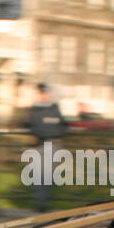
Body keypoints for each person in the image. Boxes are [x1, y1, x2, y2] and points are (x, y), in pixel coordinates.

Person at [26, 83, 69, 211]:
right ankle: (40, 202)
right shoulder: (34, 110)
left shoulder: (54, 108)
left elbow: (62, 125)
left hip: (52, 144)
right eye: (41, 93)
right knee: (39, 175)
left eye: (45, 93)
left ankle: (43, 203)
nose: (43, 96)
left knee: (47, 175)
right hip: (40, 144)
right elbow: (31, 125)